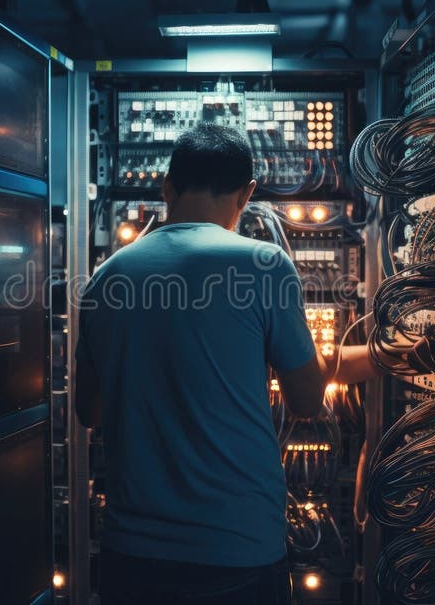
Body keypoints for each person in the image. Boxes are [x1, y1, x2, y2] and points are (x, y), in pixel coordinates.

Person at [74, 124, 379, 604]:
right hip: (236, 547)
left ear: (167, 188)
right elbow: (303, 401)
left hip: (131, 552)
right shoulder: (264, 265)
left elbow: (89, 412)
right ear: (249, 193)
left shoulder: (104, 278)